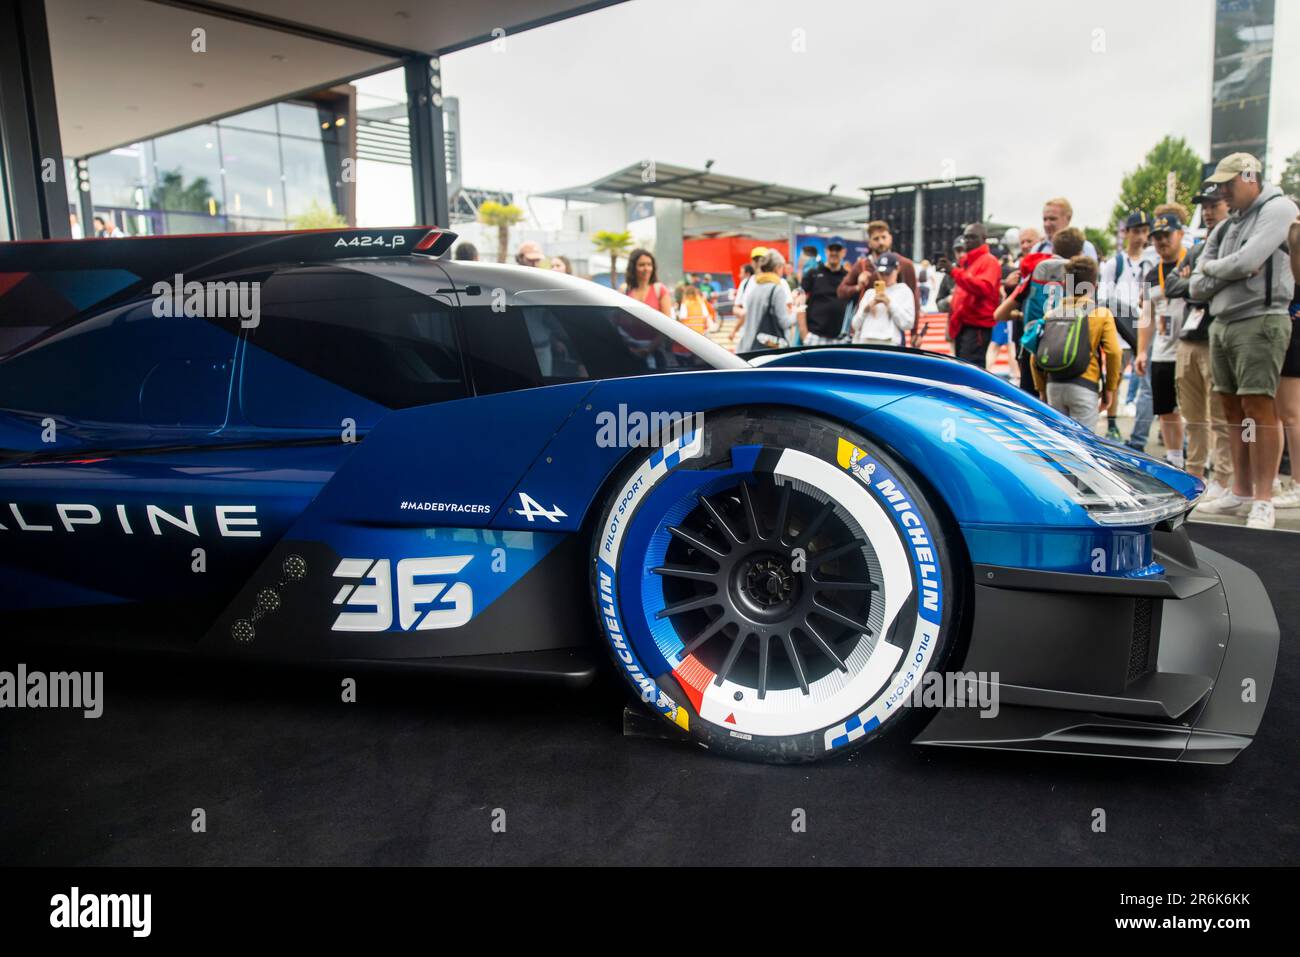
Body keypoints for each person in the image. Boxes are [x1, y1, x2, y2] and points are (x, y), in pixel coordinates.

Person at [1190, 152, 1299, 529]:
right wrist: (1225, 269)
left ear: (1250, 177)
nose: (1222, 191)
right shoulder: (1228, 224)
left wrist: (1214, 268)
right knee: (1234, 412)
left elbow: (1246, 261)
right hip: (1223, 322)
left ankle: (1264, 497)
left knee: (1258, 408)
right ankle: (1243, 489)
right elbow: (1196, 284)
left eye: (1227, 183)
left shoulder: (1278, 208)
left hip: (1259, 321)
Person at [1176, 184, 1234, 496]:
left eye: (1214, 204)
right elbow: (1176, 283)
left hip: (1216, 336)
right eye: (1205, 206)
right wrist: (1199, 281)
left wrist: (1199, 280)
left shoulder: (1236, 240)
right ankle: (1195, 475)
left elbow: (1216, 281)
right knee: (1193, 415)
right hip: (1189, 336)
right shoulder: (1197, 247)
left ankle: (1223, 479)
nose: (1208, 211)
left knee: (1220, 415)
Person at [1030, 255, 1123, 430]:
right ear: (1094, 285)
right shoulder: (1101, 314)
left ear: (1066, 284)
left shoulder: (1051, 314)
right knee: (1083, 449)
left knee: (1059, 445)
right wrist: (1109, 389)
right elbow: (1114, 353)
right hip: (1085, 386)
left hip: (1053, 386)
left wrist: (1041, 390)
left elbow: (1035, 355)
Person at [1134, 212, 1190, 470]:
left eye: (1166, 235)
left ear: (1179, 233)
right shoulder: (1151, 275)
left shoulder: (1192, 262)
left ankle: (1202, 459)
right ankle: (1174, 457)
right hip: (1163, 351)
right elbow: (1147, 316)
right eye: (1156, 238)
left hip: (1191, 346)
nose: (1161, 242)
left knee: (1195, 410)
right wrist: (1142, 351)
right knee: (1166, 408)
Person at [837, 221, 921, 334]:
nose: (881, 242)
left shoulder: (904, 264)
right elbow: (841, 292)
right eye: (876, 239)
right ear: (869, 243)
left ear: (890, 238)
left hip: (893, 331)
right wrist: (858, 286)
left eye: (883, 237)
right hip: (866, 329)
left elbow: (914, 298)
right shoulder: (862, 265)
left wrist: (915, 332)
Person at [946, 223, 1001, 366]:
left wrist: (954, 272)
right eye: (966, 237)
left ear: (983, 238)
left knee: (970, 371)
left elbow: (983, 288)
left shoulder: (988, 261)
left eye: (972, 237)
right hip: (965, 325)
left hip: (976, 326)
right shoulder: (970, 262)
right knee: (965, 370)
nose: (968, 241)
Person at [731, 249, 795, 352]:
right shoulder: (777, 289)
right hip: (766, 348)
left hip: (747, 345)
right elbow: (784, 322)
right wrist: (800, 311)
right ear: (777, 267)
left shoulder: (754, 286)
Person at [850, 252, 915, 346]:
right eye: (881, 273)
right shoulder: (870, 293)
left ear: (897, 269)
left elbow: (908, 324)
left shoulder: (904, 291)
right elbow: (855, 325)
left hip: (890, 344)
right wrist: (866, 309)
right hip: (865, 342)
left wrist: (889, 303)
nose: (884, 277)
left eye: (888, 273)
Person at [799, 240, 851, 345]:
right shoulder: (812, 274)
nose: (834, 253)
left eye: (838, 249)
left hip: (841, 339)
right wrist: (804, 334)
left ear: (844, 252)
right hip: (815, 337)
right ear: (826, 251)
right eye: (831, 249)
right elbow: (799, 302)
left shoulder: (848, 277)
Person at [1032, 197, 1099, 261]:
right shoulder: (1037, 249)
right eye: (1045, 219)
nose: (1047, 224)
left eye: (1052, 219)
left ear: (1068, 218)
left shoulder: (1085, 248)